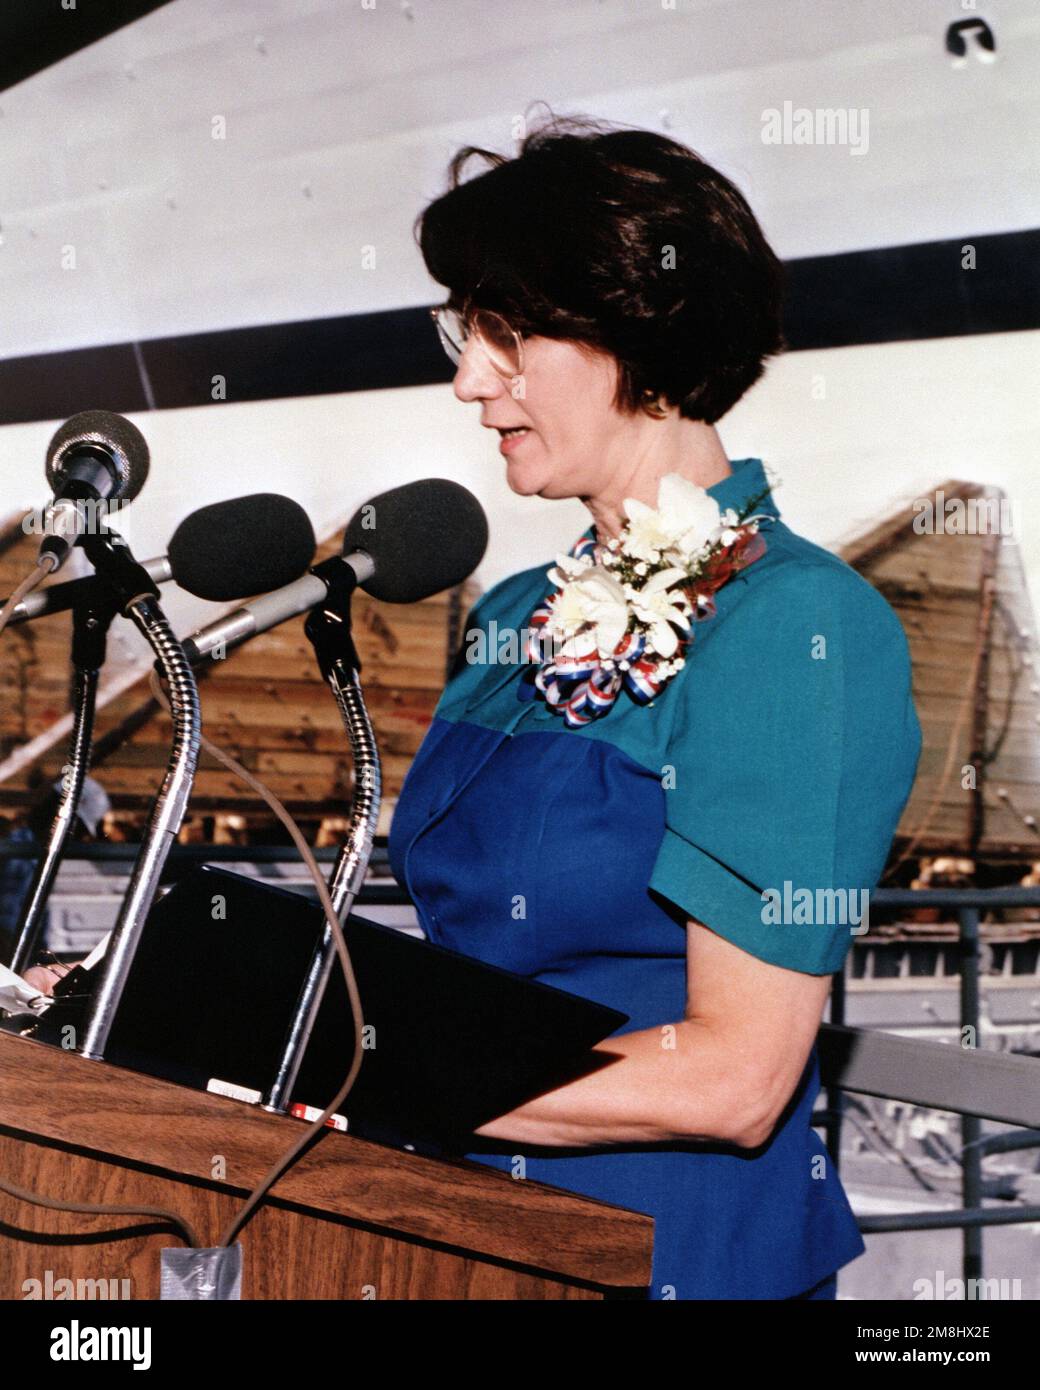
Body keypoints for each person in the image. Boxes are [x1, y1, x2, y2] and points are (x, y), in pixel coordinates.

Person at [387, 114, 922, 1300]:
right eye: (461, 334)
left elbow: (732, 1079)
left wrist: (368, 1068)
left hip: (664, 1256)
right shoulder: (519, 604)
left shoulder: (794, 627)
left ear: (644, 331)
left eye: (506, 335)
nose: (469, 380)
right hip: (452, 1230)